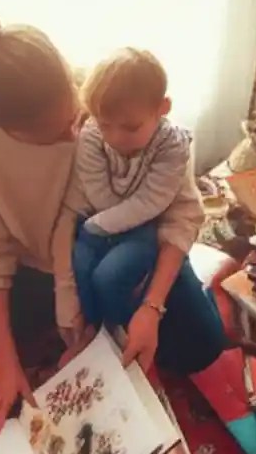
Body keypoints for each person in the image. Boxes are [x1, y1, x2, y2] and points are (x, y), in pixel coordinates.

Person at [0, 4, 226, 433]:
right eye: (58, 132)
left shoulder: (107, 94)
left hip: (125, 250)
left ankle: (98, 314)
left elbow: (181, 209)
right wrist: (6, 362)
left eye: (77, 117)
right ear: (5, 128)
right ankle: (75, 321)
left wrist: (153, 306)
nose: (76, 134)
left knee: (201, 346)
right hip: (36, 269)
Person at [71, 48, 192, 332]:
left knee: (109, 277)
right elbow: (98, 193)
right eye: (105, 126)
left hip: (142, 225)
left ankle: (120, 331)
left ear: (163, 108)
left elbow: (152, 202)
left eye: (130, 127)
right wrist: (96, 227)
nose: (115, 138)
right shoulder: (91, 134)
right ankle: (94, 329)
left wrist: (96, 227)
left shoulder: (173, 145)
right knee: (79, 267)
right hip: (98, 222)